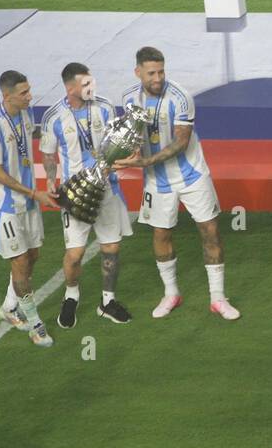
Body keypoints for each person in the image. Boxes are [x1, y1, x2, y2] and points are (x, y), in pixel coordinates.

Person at [117, 47, 238, 321]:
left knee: (210, 231)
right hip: (157, 182)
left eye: (161, 71)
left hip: (192, 175)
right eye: (151, 73)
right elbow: (131, 136)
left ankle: (218, 298)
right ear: (138, 72)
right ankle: (171, 293)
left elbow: (182, 142)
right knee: (161, 234)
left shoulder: (181, 97)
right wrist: (129, 153)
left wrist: (145, 162)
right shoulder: (128, 99)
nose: (158, 78)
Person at [39, 62, 133, 328]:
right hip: (75, 194)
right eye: (85, 84)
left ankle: (107, 301)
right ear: (70, 87)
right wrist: (49, 179)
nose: (92, 87)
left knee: (111, 248)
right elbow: (48, 153)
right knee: (75, 254)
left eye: (92, 82)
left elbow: (117, 143)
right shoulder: (53, 117)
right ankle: (71, 295)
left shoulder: (104, 108)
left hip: (107, 189)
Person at [0, 70, 53, 347]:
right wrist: (34, 192)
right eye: (24, 93)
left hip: (29, 199)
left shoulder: (25, 112)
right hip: (6, 205)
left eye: (29, 90)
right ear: (6, 96)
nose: (30, 96)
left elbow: (26, 143)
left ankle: (9, 307)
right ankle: (35, 324)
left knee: (33, 254)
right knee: (20, 260)